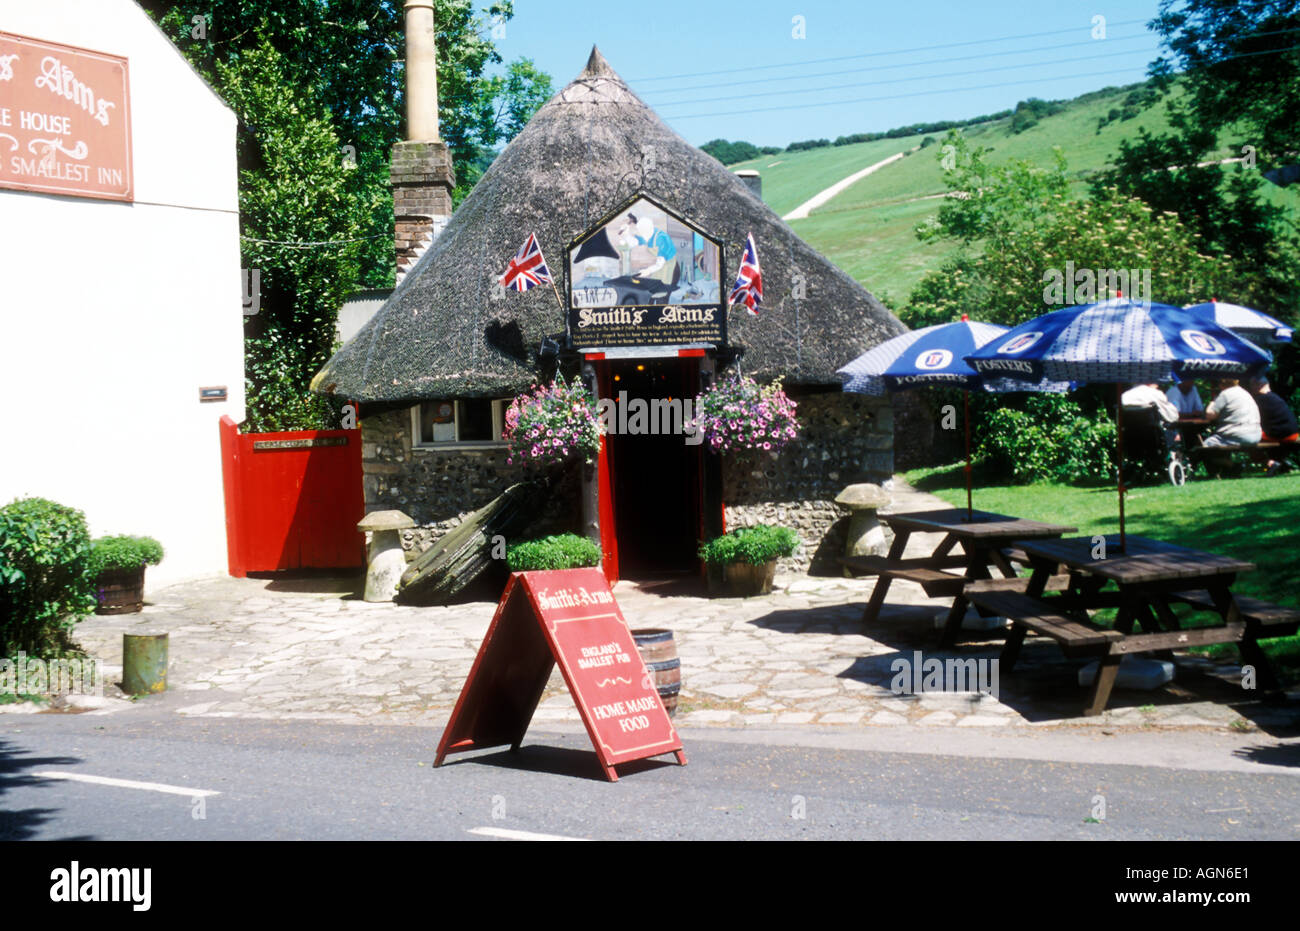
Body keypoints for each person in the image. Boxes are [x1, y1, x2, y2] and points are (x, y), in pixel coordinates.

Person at [1247, 375, 1298, 475]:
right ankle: (1281, 463)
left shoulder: (1260, 400)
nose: (1250, 388)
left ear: (1258, 385)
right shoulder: (1274, 397)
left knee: (1247, 441)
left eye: (1251, 385)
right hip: (1293, 434)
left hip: (1281, 435)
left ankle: (1270, 462)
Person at [1202, 378, 1262, 447]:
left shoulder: (1225, 394)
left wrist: (1213, 401)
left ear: (1221, 383)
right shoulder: (1244, 392)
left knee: (1207, 443)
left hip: (1238, 436)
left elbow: (1210, 415)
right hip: (1256, 435)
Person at [1121, 382, 1181, 448]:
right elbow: (1173, 417)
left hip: (1129, 439)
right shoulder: (1156, 394)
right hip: (1153, 440)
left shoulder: (1124, 396)